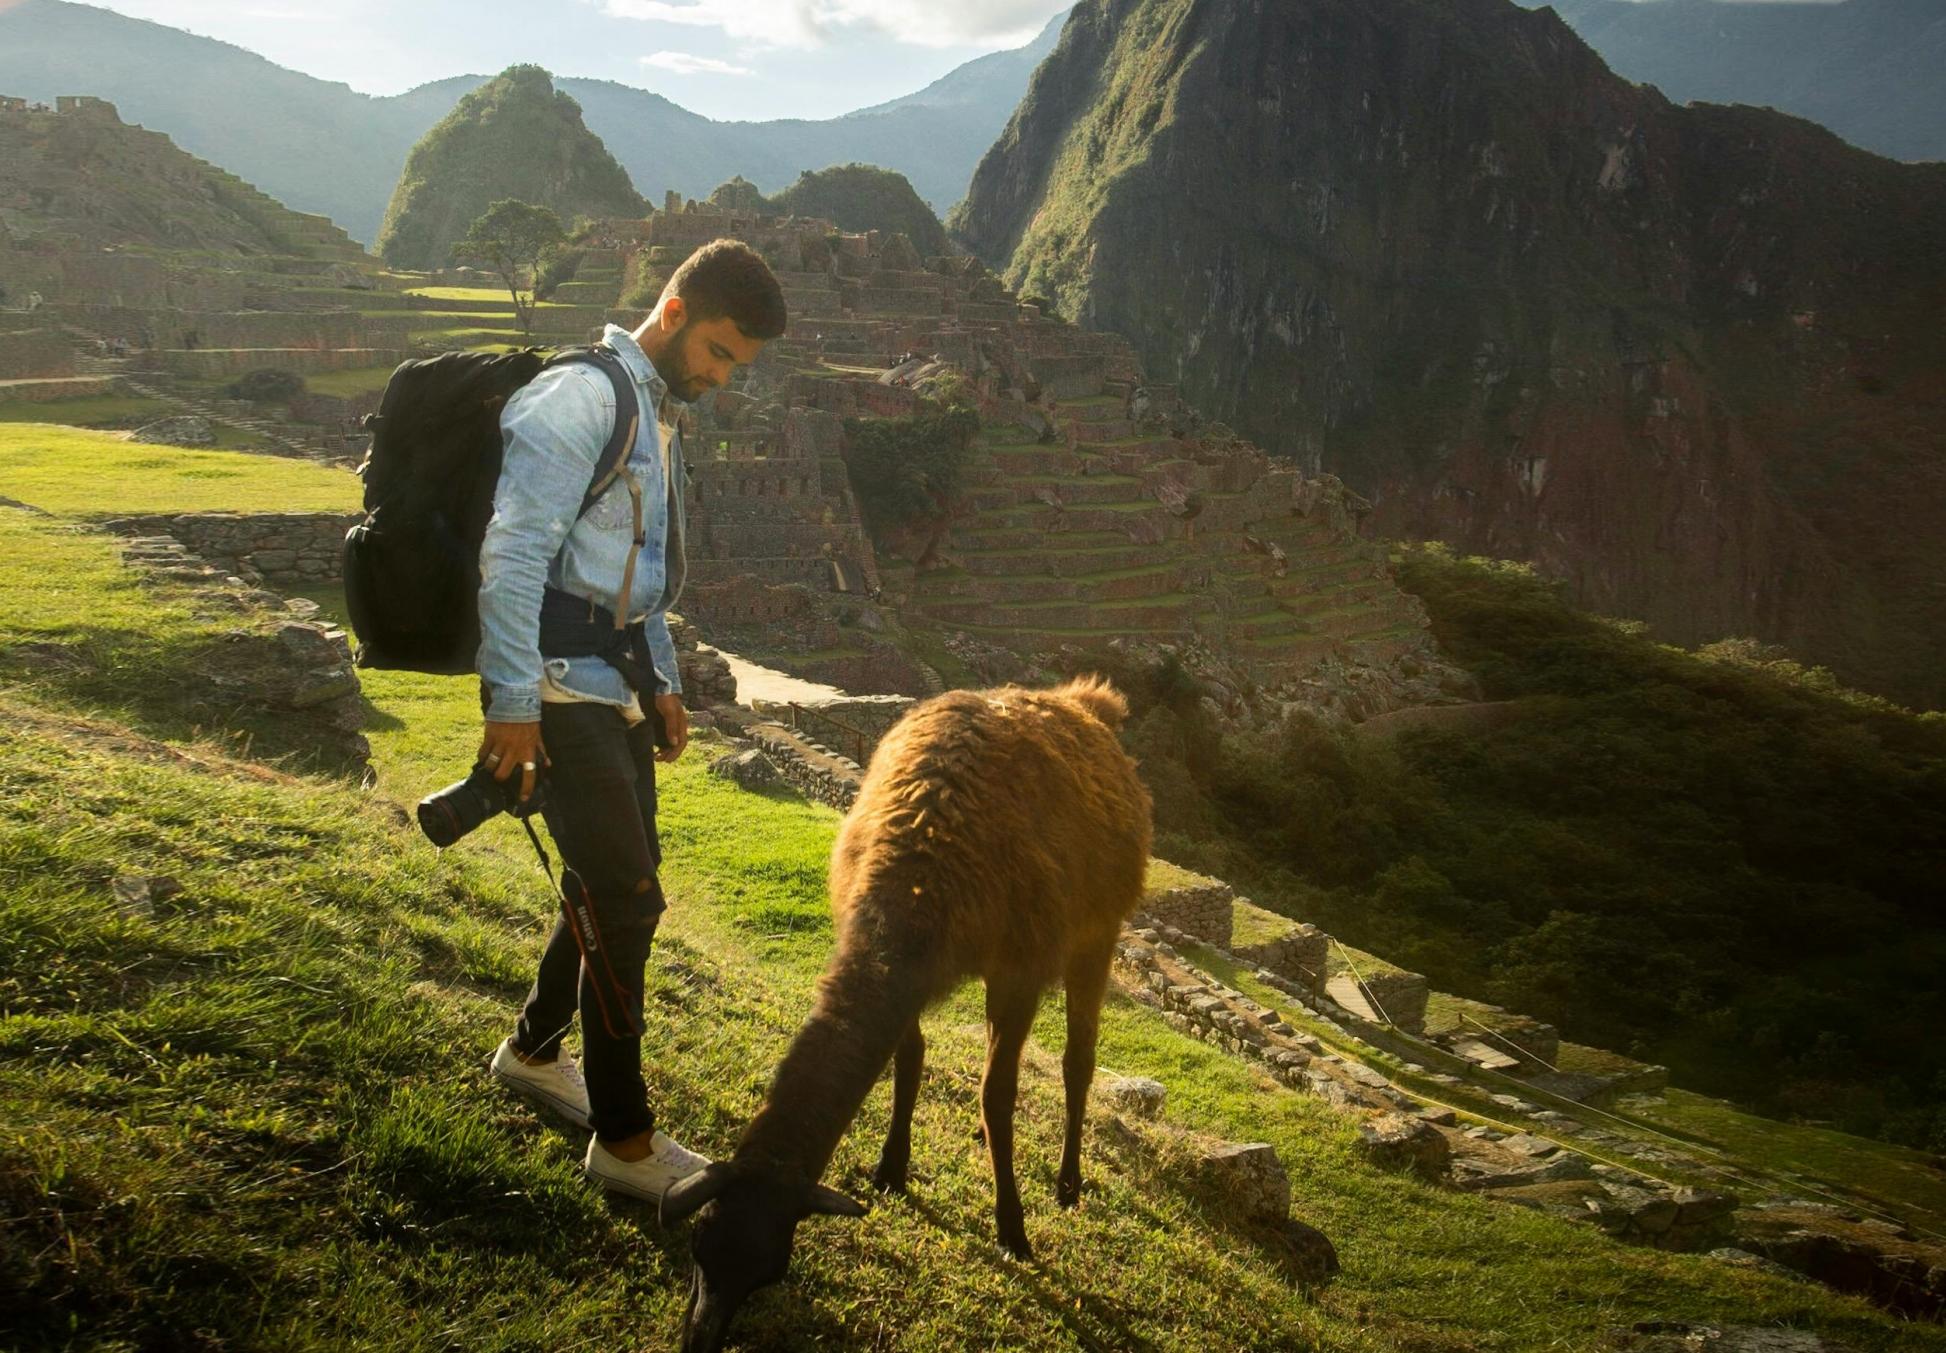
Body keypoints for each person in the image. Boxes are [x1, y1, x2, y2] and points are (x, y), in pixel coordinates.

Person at [478, 238, 786, 1202]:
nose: (723, 376)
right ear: (674, 309)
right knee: (630, 901)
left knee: (603, 879)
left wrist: (661, 681)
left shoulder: (656, 415)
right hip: (560, 692)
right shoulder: (582, 400)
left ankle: (532, 1049)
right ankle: (625, 1137)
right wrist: (513, 707)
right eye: (720, 352)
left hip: (611, 690)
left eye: (737, 364)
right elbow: (515, 558)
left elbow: (638, 579)